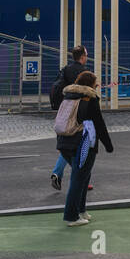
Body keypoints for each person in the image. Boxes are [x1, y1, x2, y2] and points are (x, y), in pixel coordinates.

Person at [59, 71, 112, 226]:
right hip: (83, 143)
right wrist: (108, 145)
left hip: (64, 141)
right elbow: (99, 123)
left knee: (83, 176)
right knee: (78, 179)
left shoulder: (68, 96)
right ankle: (72, 216)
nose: (97, 84)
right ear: (90, 84)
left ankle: (81, 210)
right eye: (95, 82)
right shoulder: (90, 98)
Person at [49, 46, 88, 190]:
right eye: (86, 54)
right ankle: (81, 177)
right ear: (83, 57)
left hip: (63, 110)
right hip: (77, 113)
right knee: (78, 146)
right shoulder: (83, 72)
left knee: (66, 145)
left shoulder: (65, 69)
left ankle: (57, 173)